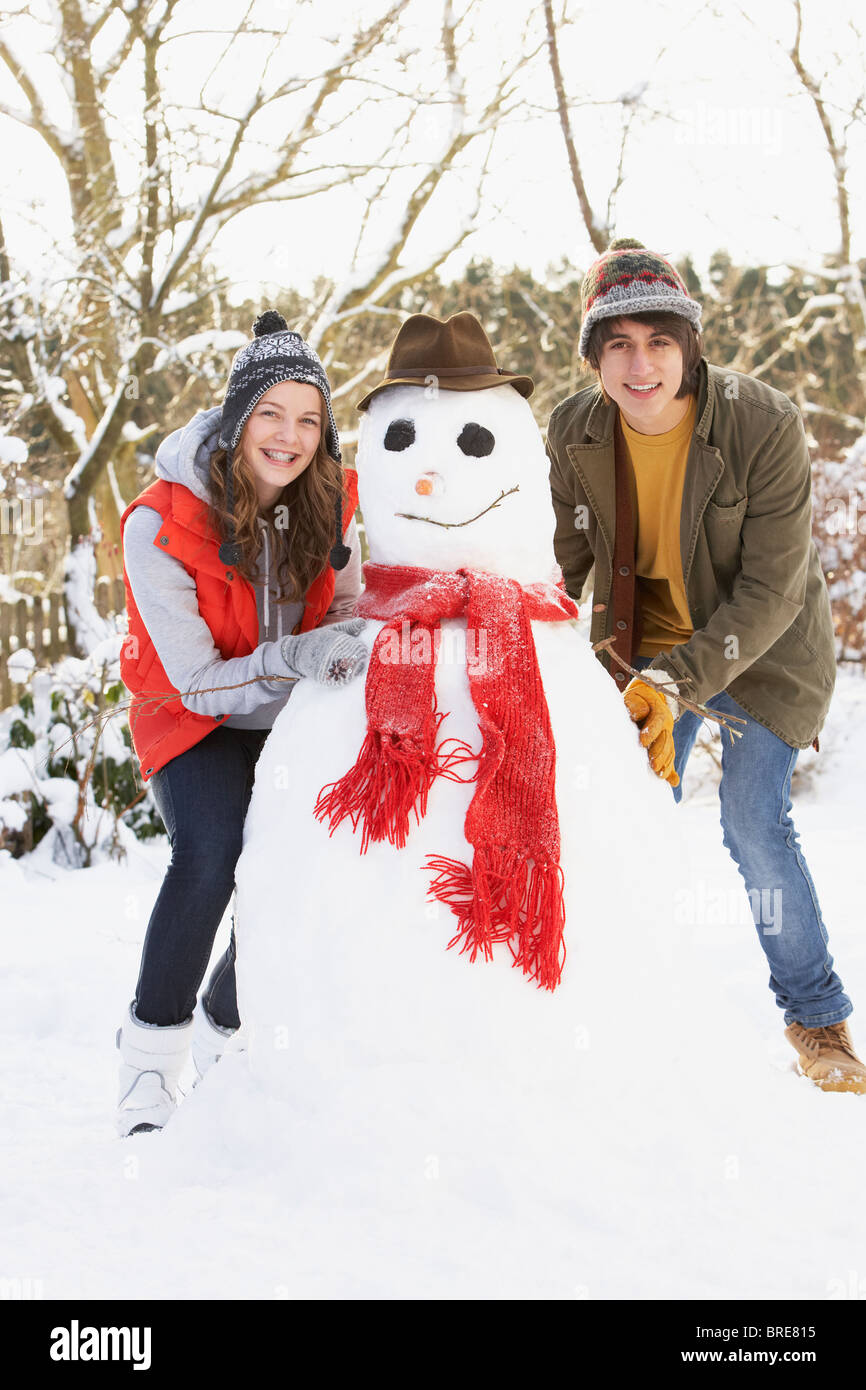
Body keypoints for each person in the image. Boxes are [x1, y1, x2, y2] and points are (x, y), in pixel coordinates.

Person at [546, 237, 866, 1094]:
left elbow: (771, 587)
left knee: (752, 819)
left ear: (690, 345)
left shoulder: (762, 423)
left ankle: (819, 1022)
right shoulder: (574, 430)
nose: (640, 363)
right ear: (594, 357)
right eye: (617, 344)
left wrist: (679, 683)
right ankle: (627, 1010)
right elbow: (561, 563)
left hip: (759, 652)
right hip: (640, 646)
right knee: (621, 815)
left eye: (659, 340)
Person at [115, 311, 368, 1136]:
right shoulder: (161, 524)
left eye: (309, 419)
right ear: (236, 416)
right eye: (271, 413)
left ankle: (230, 1030)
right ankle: (149, 1065)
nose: (290, 436)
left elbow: (358, 608)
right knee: (214, 851)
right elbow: (191, 678)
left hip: (287, 712)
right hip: (187, 716)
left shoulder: (332, 507)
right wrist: (299, 657)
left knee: (295, 856)